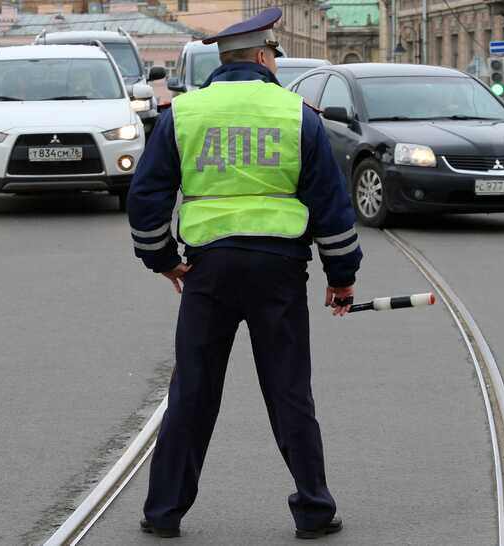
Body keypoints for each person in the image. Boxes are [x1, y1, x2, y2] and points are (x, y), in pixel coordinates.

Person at [128, 7, 360, 540]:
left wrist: (163, 259)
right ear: (262, 57)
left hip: (207, 270)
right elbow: (330, 205)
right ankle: (314, 511)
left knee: (192, 392)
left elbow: (146, 199)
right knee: (289, 392)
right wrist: (341, 275)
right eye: (273, 57)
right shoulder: (295, 113)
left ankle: (163, 513)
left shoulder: (183, 114)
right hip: (278, 270)